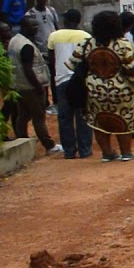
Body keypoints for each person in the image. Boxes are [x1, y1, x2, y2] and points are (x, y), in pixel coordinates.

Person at [72, 11, 134, 162]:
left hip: (94, 91)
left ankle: (107, 154)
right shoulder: (123, 45)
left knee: (99, 122)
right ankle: (126, 153)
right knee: (124, 121)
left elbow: (73, 64)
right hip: (121, 92)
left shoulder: (87, 43)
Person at [0, 18, 60, 155]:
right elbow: (28, 69)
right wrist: (38, 86)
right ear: (24, 27)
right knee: (38, 117)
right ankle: (49, 145)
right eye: (33, 26)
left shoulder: (14, 41)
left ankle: (22, 141)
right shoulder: (26, 46)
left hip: (19, 85)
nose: (36, 27)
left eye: (36, 24)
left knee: (23, 115)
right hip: (31, 87)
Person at [48, 9, 93, 159]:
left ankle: (69, 150)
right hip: (81, 80)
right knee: (83, 115)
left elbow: (51, 60)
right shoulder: (86, 36)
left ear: (66, 20)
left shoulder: (54, 36)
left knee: (64, 117)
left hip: (61, 80)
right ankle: (85, 149)